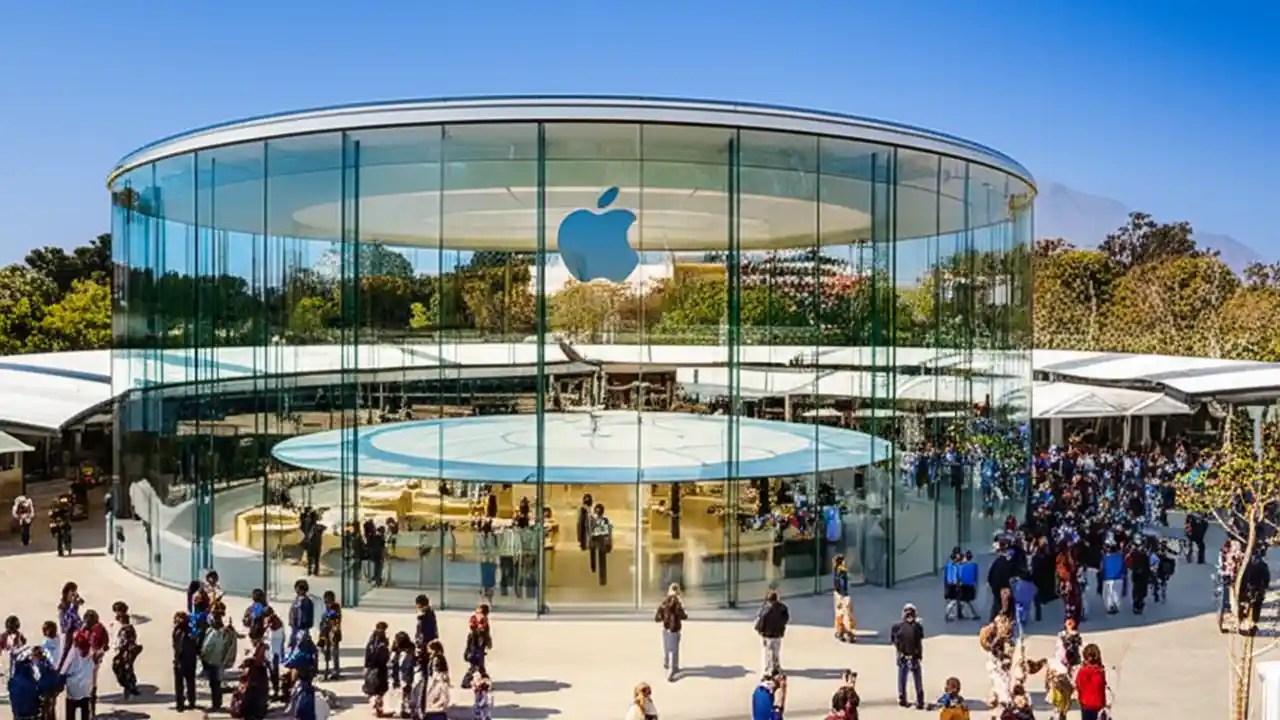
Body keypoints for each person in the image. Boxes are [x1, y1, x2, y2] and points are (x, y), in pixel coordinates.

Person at [890, 603, 925, 710]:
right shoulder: (918, 627)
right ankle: (919, 700)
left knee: (902, 677)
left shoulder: (897, 627)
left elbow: (895, 642)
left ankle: (902, 697)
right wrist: (919, 655)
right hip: (914, 656)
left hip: (903, 656)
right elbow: (919, 641)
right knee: (917, 678)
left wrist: (898, 655)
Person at [654, 583, 687, 681]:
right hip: (675, 629)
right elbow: (683, 616)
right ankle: (672, 670)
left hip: (666, 629)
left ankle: (668, 664)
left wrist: (664, 617)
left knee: (667, 648)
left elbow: (657, 618)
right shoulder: (677, 603)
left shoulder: (664, 603)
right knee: (674, 649)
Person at [754, 590, 789, 676]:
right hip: (778, 634)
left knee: (767, 651)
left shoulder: (766, 610)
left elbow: (760, 622)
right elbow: (786, 619)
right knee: (776, 651)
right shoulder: (783, 608)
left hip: (767, 635)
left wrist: (760, 630)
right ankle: (776, 666)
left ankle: (768, 668)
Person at [110, 601, 141, 698]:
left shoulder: (126, 624)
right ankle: (129, 686)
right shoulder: (119, 621)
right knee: (123, 668)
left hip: (126, 650)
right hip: (121, 649)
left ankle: (130, 686)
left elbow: (127, 637)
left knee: (125, 668)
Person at [171, 611, 199, 712]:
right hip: (190, 660)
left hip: (182, 660)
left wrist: (177, 660)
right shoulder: (190, 631)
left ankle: (180, 704)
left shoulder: (178, 631)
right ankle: (191, 702)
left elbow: (179, 647)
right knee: (190, 682)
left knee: (179, 684)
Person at [363, 621, 392, 717]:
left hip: (372, 668)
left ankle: (376, 707)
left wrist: (366, 666)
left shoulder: (371, 641)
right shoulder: (382, 642)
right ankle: (378, 708)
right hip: (380, 668)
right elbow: (384, 656)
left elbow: (367, 653)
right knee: (380, 689)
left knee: (374, 688)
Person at [63, 634, 94, 720]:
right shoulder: (90, 654)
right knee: (85, 711)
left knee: (70, 711)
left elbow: (66, 669)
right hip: (86, 689)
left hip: (73, 690)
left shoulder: (73, 653)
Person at [461, 605, 492, 690]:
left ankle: (483, 682)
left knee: (479, 666)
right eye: (477, 612)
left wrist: (488, 643)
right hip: (474, 648)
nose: (478, 615)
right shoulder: (473, 622)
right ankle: (467, 682)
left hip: (480, 648)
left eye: (480, 613)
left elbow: (486, 635)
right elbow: (471, 636)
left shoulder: (484, 623)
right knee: (475, 666)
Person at [1074, 644, 1107, 720]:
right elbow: (1102, 688)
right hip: (1099, 705)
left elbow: (1079, 686)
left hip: (1086, 705)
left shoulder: (1082, 672)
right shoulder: (1100, 671)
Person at [318, 590, 343, 680]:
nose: (327, 603)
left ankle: (335, 671)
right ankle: (327, 668)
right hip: (325, 632)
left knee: (334, 652)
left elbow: (336, 620)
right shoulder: (325, 608)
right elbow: (322, 620)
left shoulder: (336, 608)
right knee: (324, 650)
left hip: (333, 634)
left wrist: (334, 627)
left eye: (328, 601)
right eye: (326, 601)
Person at [390, 631, 415, 718]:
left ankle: (404, 709)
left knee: (404, 693)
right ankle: (404, 709)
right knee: (405, 694)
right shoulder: (409, 651)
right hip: (403, 676)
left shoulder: (407, 654)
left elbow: (406, 667)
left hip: (404, 676)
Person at [589, 502, 613, 586]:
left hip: (602, 539)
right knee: (594, 554)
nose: (598, 512)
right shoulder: (593, 519)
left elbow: (608, 531)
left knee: (602, 559)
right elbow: (590, 529)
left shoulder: (605, 520)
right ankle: (593, 567)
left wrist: (609, 542)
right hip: (595, 538)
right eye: (597, 510)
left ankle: (602, 579)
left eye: (599, 510)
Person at [289, 579, 315, 651]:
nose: (296, 591)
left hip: (302, 627)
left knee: (301, 645)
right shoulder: (297, 600)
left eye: (297, 589)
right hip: (296, 627)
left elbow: (306, 616)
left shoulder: (306, 601)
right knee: (294, 644)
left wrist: (302, 626)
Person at [1099, 544, 1125, 614]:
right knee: (1117, 593)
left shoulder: (1105, 558)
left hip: (1107, 578)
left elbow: (1101, 568)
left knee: (1107, 594)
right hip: (1118, 578)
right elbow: (1124, 567)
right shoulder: (1120, 557)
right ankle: (1116, 606)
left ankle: (1109, 607)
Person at [958, 551, 980, 621]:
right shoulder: (974, 565)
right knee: (966, 600)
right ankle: (973, 614)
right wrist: (976, 587)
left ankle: (961, 614)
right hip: (970, 585)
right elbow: (976, 578)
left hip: (962, 585)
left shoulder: (961, 565)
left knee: (963, 600)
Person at [943, 549, 962, 621]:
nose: (960, 555)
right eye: (958, 554)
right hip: (952, 586)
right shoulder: (951, 565)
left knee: (957, 600)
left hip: (954, 585)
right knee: (953, 601)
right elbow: (951, 577)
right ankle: (948, 614)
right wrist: (955, 583)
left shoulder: (955, 564)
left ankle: (957, 614)